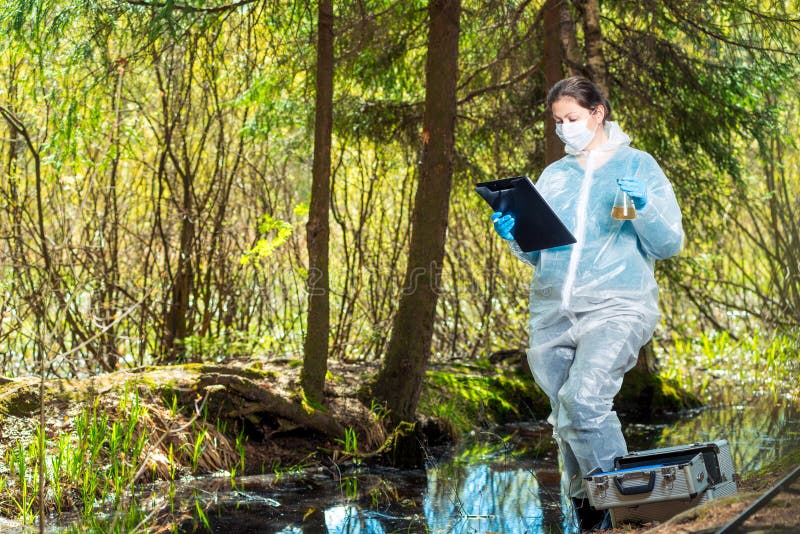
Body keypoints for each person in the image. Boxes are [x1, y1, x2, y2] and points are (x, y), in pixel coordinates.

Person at [490, 76, 683, 531]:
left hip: (617, 306)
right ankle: (589, 514)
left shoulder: (638, 165)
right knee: (566, 418)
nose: (564, 129)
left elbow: (668, 243)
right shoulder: (555, 176)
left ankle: (625, 511)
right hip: (553, 312)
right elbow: (543, 252)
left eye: (572, 118)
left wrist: (644, 208)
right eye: (558, 121)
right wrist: (515, 233)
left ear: (597, 113)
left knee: (584, 401)